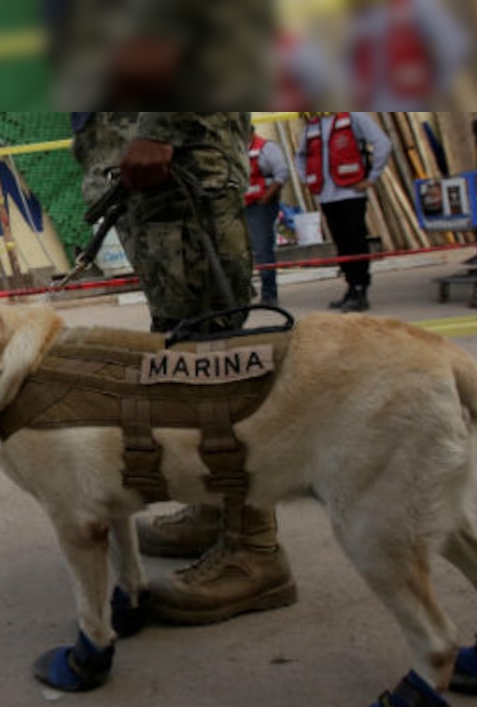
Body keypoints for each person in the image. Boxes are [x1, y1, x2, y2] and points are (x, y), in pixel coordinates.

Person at [71, 113, 297, 627]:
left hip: (175, 160)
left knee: (212, 361)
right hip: (149, 183)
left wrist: (162, 127)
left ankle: (253, 549)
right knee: (186, 356)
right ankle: (218, 506)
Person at [294, 112, 393, 312]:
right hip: (326, 195)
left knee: (355, 241)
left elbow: (383, 144)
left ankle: (360, 288)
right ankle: (350, 286)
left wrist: (371, 178)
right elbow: (300, 156)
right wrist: (307, 179)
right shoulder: (313, 126)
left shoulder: (354, 118)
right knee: (341, 244)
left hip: (350, 192)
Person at [243, 127, 290, 306]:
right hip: (242, 205)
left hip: (261, 206)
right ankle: (245, 289)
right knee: (241, 251)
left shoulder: (266, 148)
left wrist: (267, 197)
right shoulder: (235, 150)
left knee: (263, 249)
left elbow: (282, 174)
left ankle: (269, 293)